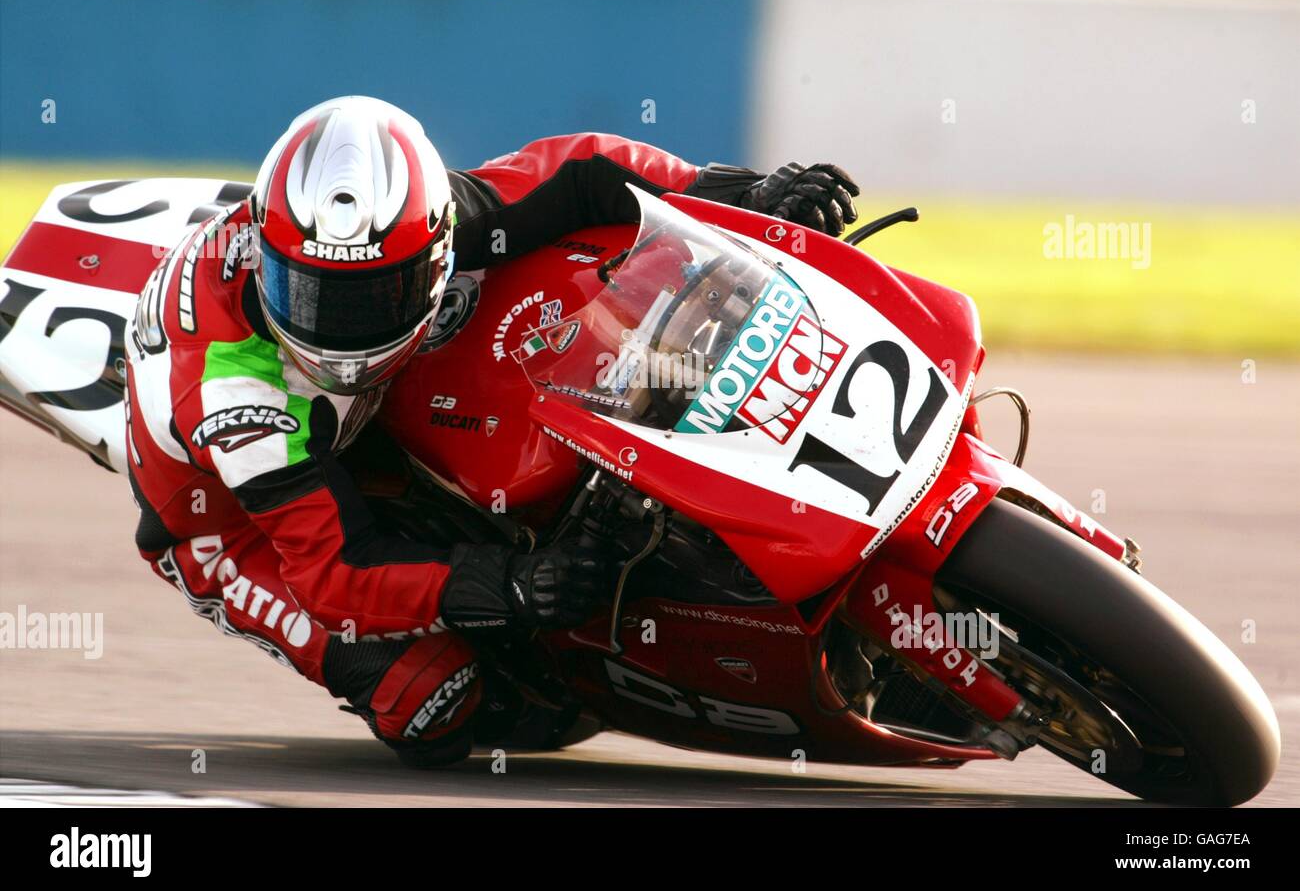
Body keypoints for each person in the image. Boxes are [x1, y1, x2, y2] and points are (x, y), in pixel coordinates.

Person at [123, 95, 860, 766]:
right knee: (428, 700)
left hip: (365, 408)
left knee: (581, 256)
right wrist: (509, 587)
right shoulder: (238, 402)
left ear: (435, 245)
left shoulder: (431, 218)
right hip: (227, 524)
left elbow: (584, 173)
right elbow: (335, 576)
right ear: (263, 258)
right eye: (312, 294)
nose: (342, 327)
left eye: (376, 294)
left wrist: (739, 196)